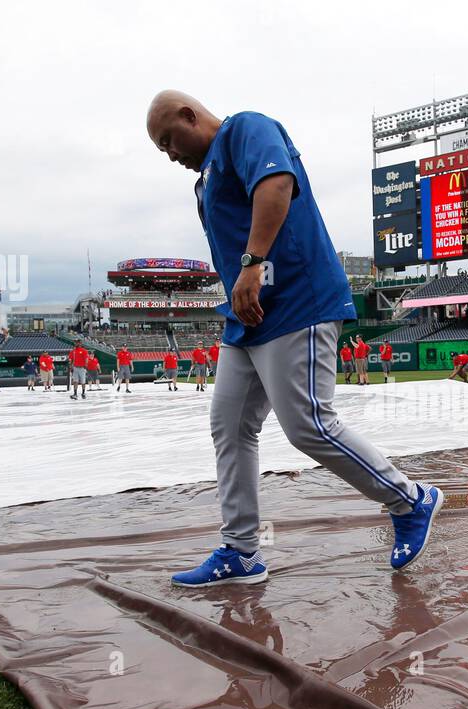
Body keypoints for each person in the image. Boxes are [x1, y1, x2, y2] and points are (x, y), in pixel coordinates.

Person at [145, 89, 441, 587]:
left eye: (169, 140)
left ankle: (411, 499)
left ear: (190, 116)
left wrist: (251, 263)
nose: (171, 154)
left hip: (297, 300)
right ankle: (241, 551)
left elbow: (277, 184)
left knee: (309, 425)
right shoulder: (205, 181)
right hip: (250, 316)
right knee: (230, 424)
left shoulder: (245, 128)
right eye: (162, 150)